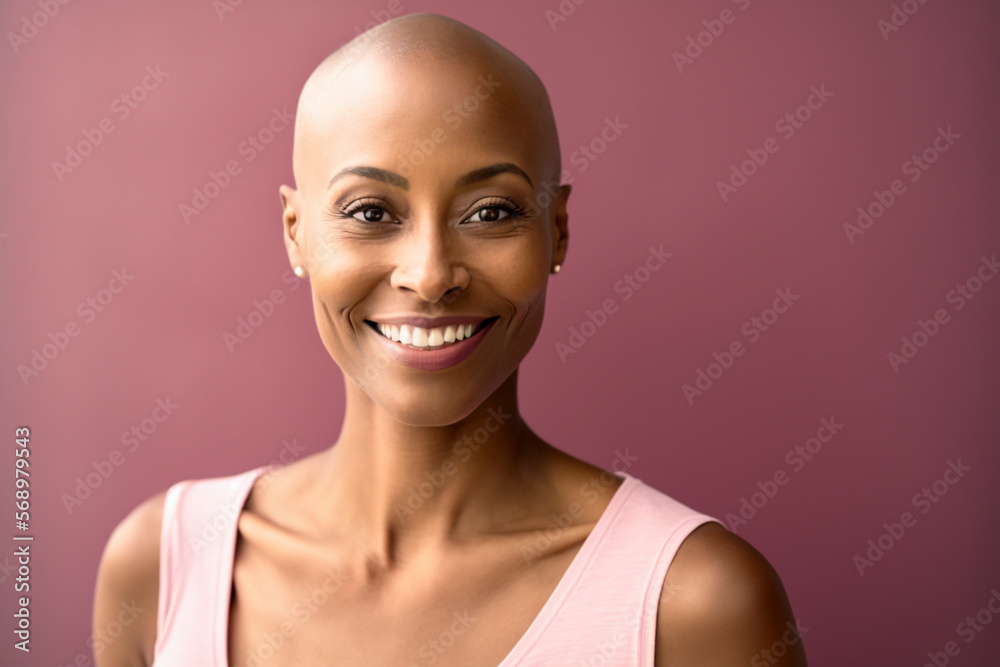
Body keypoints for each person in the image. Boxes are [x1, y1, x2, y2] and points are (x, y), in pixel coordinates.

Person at [93, 12, 807, 666]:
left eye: (491, 211)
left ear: (556, 231)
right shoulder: (163, 565)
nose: (431, 275)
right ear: (296, 233)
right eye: (370, 212)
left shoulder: (696, 603)